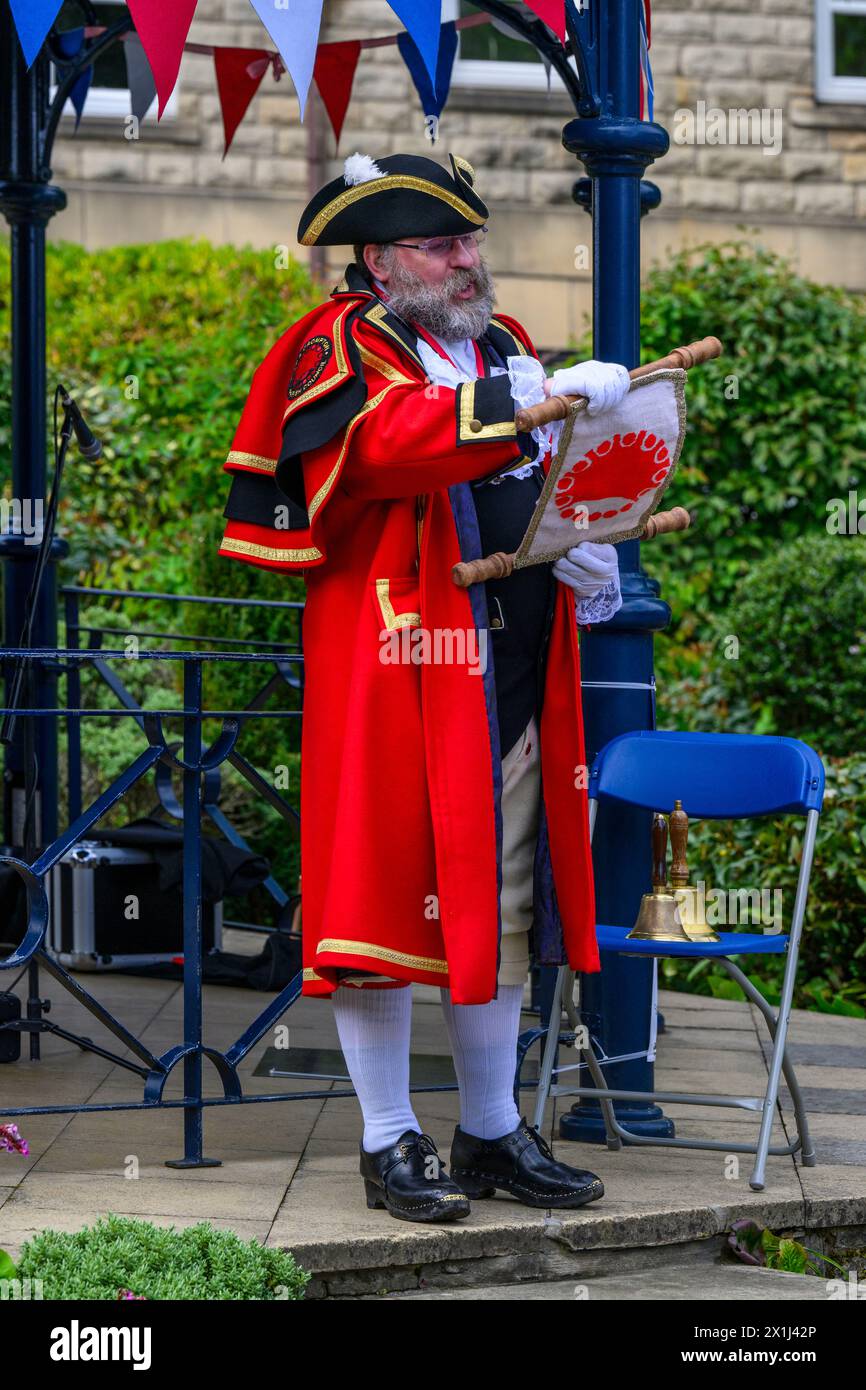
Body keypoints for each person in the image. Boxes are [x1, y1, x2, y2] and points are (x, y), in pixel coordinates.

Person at [220, 152, 630, 1223]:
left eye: (470, 242)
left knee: (502, 898)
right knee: (386, 894)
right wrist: (529, 403)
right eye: (442, 246)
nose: (466, 262)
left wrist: (581, 530)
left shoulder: (497, 345)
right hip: (401, 664)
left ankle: (489, 1129)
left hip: (517, 665)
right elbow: (389, 446)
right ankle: (387, 1138)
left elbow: (530, 464)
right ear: (380, 259)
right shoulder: (340, 341)